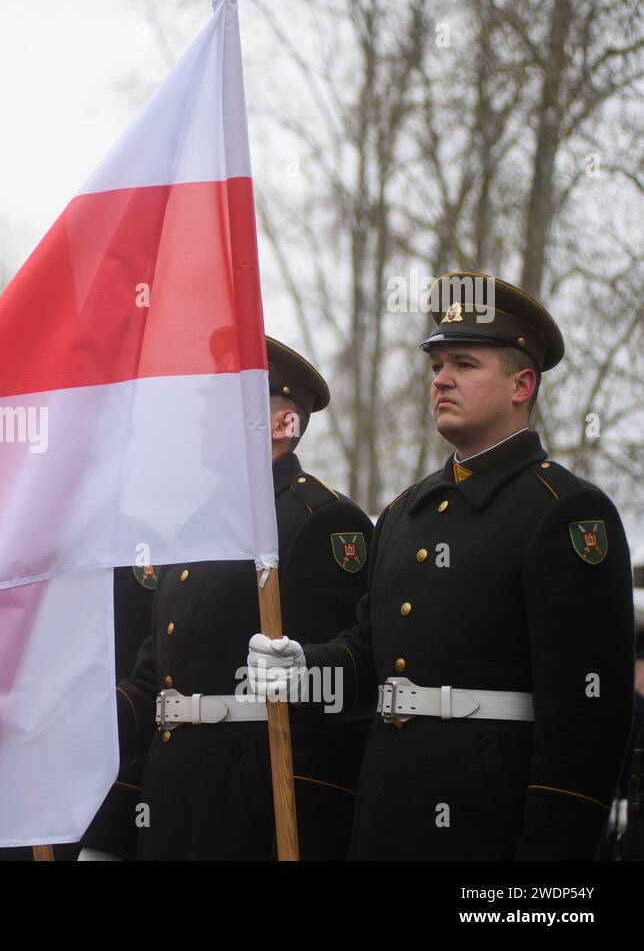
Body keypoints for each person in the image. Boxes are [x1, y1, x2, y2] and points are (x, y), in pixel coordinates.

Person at [248, 273, 635, 859]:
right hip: (387, 821)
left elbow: (585, 724)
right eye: (435, 367)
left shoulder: (565, 512)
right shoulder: (405, 512)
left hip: (490, 832)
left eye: (464, 364)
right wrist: (305, 667)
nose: (442, 380)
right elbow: (370, 654)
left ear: (521, 384)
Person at [93, 338, 373, 860]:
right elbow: (154, 682)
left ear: (283, 424)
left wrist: (308, 825)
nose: (204, 415)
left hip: (255, 816)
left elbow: (340, 697)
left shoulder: (318, 521)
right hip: (175, 806)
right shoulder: (198, 529)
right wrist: (82, 725)